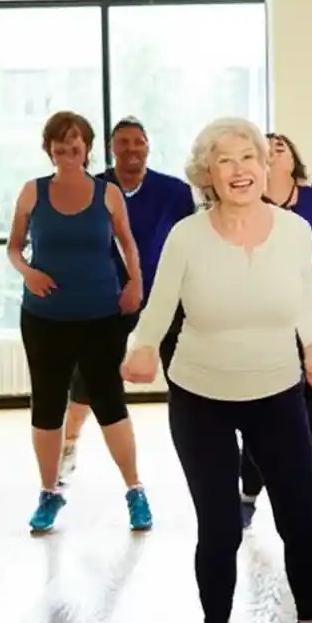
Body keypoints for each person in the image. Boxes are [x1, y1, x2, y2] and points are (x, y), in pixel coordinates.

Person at [121, 117, 312, 623]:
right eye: (225, 160)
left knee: (302, 520)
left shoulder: (295, 232)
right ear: (207, 174)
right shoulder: (186, 236)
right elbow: (157, 309)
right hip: (201, 397)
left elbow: (307, 303)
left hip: (277, 392)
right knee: (220, 530)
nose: (239, 170)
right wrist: (143, 347)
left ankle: (310, 619)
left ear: (266, 166)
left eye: (249, 157)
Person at [6, 111, 151, 534]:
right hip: (44, 318)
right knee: (48, 405)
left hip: (101, 316)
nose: (67, 154)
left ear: (87, 150)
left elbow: (127, 242)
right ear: (48, 150)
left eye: (75, 147)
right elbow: (14, 248)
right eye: (59, 147)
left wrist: (135, 284)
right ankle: (49, 493)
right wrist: (28, 272)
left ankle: (135, 490)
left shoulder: (108, 194)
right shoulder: (32, 192)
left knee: (109, 403)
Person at [59, 116, 195, 484]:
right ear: (110, 149)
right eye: (124, 143)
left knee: (188, 378)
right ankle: (67, 447)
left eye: (139, 141)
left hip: (167, 300)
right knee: (86, 379)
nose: (132, 149)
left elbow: (191, 247)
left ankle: (202, 451)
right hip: (107, 301)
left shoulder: (175, 192)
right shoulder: (93, 189)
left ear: (148, 146)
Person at [237, 133, 312, 534]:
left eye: (281, 146)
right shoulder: (244, 204)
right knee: (258, 411)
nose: (272, 150)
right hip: (262, 324)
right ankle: (248, 497)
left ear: (294, 159)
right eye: (264, 146)